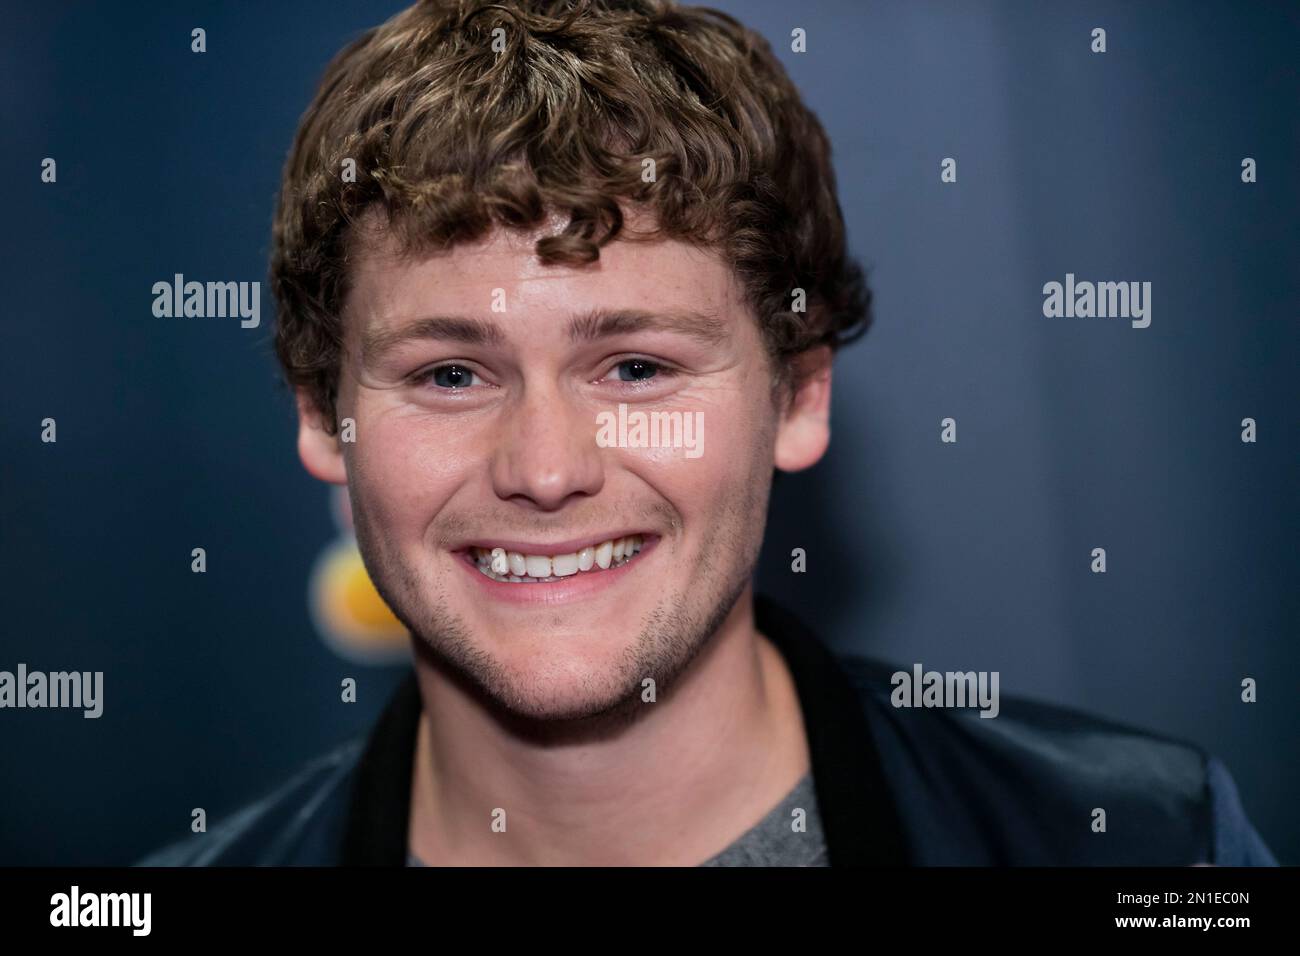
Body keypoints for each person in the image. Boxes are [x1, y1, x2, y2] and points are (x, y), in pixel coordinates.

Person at [138, 0, 1275, 866]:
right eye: (449, 372)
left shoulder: (1148, 845)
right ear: (319, 418)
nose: (545, 468)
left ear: (798, 395)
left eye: (635, 366)